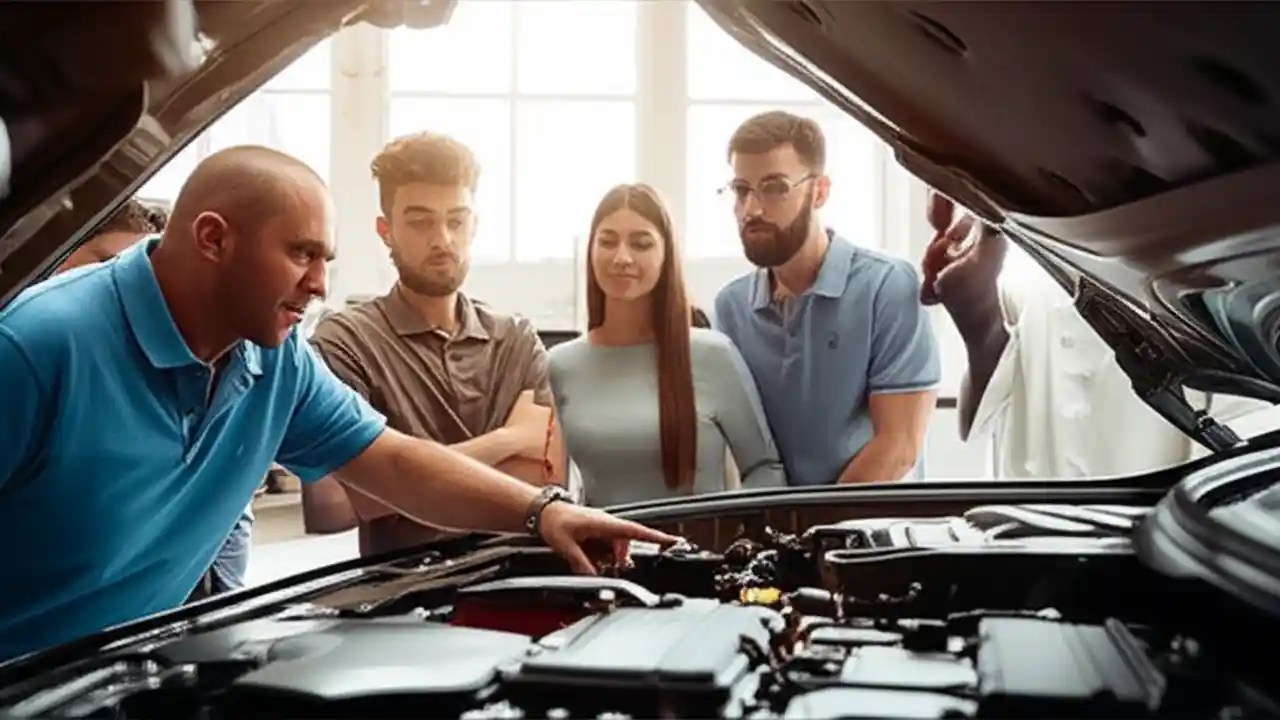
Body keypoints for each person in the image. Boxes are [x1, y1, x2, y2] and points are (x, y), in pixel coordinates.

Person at [0, 144, 676, 661]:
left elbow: (391, 462)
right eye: (301, 254)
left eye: (325, 258)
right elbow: (332, 509)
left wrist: (544, 513)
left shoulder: (276, 357)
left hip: (131, 674)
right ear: (212, 238)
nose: (321, 284)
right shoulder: (34, 348)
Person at [302, 132, 566, 556]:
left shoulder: (515, 338)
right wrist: (508, 440)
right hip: (401, 599)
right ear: (385, 230)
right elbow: (337, 505)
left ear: (474, 225)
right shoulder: (346, 343)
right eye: (421, 221)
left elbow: (542, 478)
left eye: (456, 220)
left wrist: (393, 483)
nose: (442, 239)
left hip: (517, 581)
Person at [921, 191, 1280, 478]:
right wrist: (972, 305)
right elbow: (982, 406)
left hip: (1169, 529)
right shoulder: (1033, 286)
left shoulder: (1225, 282)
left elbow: (1247, 451)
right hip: (1045, 532)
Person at [712, 110, 940, 487]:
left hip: (870, 531)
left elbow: (899, 446)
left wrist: (812, 529)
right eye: (741, 190)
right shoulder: (731, 307)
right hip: (772, 529)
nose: (751, 209)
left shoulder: (888, 287)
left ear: (819, 192)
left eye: (774, 187)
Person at [549, 183, 785, 506]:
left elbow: (764, 468)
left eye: (641, 243)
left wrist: (733, 539)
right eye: (607, 241)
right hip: (598, 554)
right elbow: (550, 490)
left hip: (698, 553)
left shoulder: (714, 355)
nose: (622, 257)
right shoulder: (559, 365)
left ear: (666, 255)